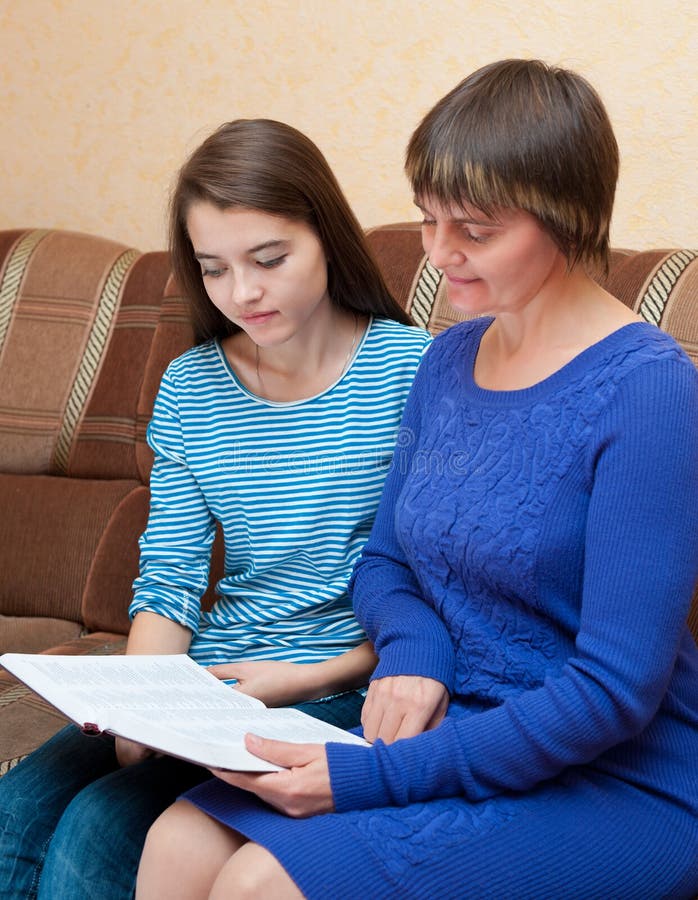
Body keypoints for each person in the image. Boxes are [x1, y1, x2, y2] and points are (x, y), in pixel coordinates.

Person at [136, 60, 698, 900]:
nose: (438, 256)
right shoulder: (448, 360)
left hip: (617, 772)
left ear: (570, 218)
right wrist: (418, 653)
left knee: (260, 882)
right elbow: (388, 564)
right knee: (178, 842)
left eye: (473, 230)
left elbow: (613, 693)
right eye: (429, 221)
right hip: (453, 716)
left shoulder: (652, 391)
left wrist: (366, 778)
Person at [0, 119, 431, 900]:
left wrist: (299, 680)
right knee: (14, 816)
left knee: (98, 831)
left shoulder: (413, 371)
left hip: (340, 683)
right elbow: (168, 575)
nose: (244, 293)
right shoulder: (192, 387)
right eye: (214, 269)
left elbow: (434, 593)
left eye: (269, 259)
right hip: (209, 681)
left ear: (327, 236)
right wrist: (140, 701)